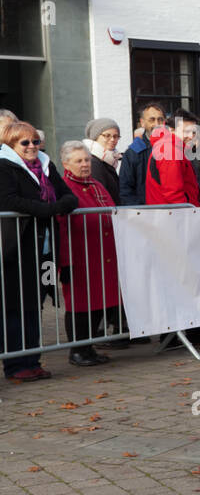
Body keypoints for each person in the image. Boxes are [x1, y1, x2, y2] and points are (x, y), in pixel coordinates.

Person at [0, 121, 76, 381]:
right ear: (12, 145)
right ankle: (15, 365)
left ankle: (33, 360)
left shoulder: (45, 163)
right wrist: (47, 209)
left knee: (36, 304)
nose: (32, 146)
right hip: (16, 249)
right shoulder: (4, 166)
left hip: (45, 249)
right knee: (15, 307)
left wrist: (53, 208)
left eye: (35, 141)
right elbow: (8, 200)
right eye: (25, 143)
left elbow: (69, 196)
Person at [144, 119, 200, 348]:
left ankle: (181, 334)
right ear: (172, 130)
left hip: (173, 223)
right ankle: (185, 334)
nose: (191, 135)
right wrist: (188, 221)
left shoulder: (170, 148)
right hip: (176, 225)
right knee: (185, 280)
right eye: (187, 131)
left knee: (182, 280)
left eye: (194, 131)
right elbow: (174, 194)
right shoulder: (170, 150)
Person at [56, 141, 121, 367]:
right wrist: (65, 261)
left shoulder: (96, 185)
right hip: (80, 255)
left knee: (100, 302)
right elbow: (61, 226)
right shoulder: (64, 187)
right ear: (66, 164)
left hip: (103, 254)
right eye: (79, 161)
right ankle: (78, 350)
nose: (85, 165)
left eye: (87, 160)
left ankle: (89, 347)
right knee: (80, 304)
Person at [118, 101, 166, 205]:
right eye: (152, 120)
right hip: (145, 213)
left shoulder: (174, 149)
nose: (157, 124)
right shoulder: (133, 153)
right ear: (142, 123)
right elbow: (125, 189)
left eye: (160, 119)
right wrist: (141, 213)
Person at [85, 118, 123, 204]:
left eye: (116, 136)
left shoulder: (110, 160)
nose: (112, 139)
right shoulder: (93, 162)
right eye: (107, 135)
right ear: (96, 137)